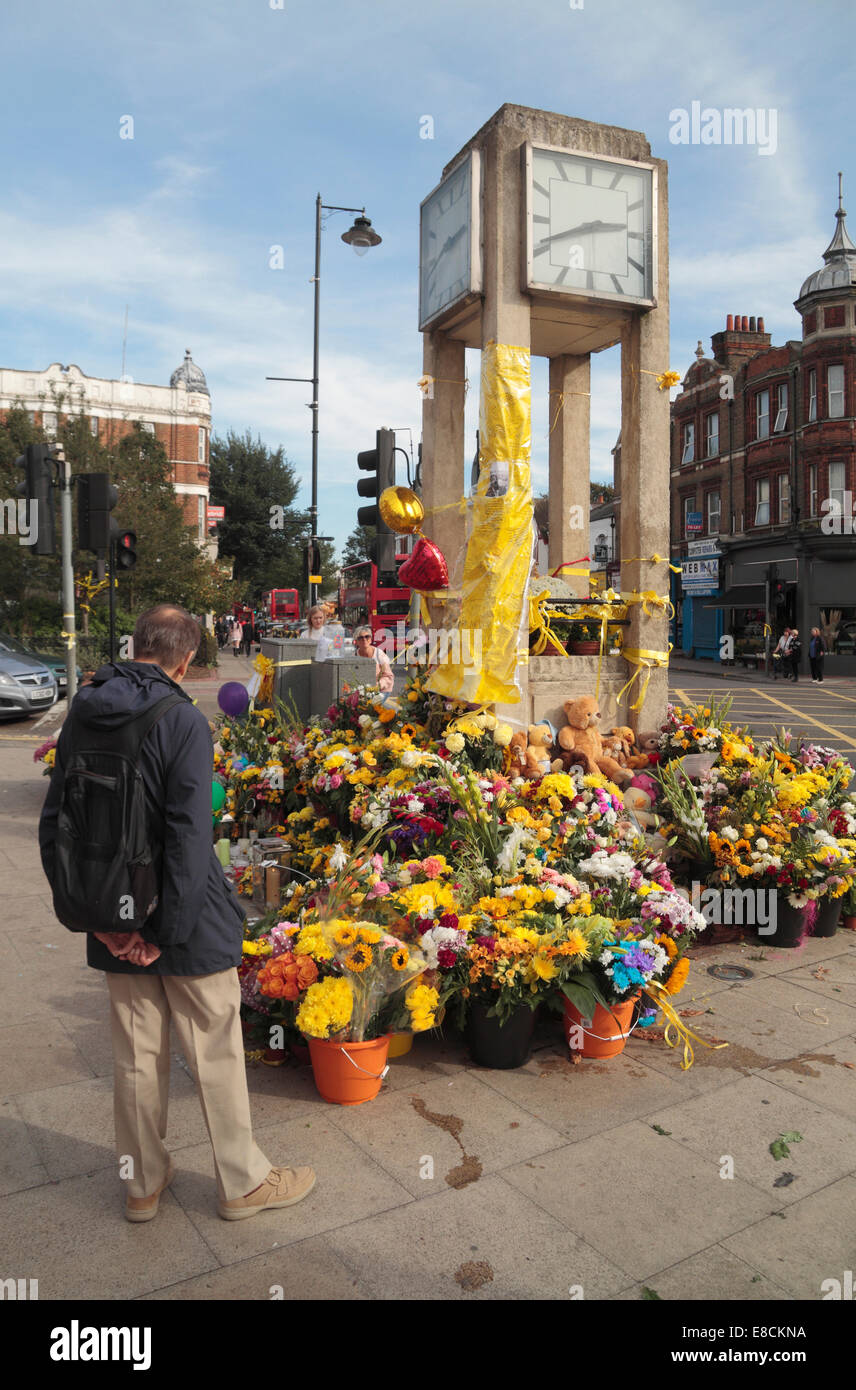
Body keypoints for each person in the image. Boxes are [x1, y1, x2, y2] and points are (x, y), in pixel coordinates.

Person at [38, 604, 315, 1222]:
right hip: (180, 918)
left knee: (135, 1056)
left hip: (108, 906)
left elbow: (57, 820)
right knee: (213, 1046)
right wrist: (162, 931)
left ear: (136, 644)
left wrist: (103, 922)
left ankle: (141, 1186)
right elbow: (189, 837)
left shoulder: (83, 707)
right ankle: (242, 1184)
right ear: (186, 662)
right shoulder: (183, 720)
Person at [354, 625, 394, 693]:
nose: (364, 639)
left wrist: (378, 686)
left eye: (367, 637)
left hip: (381, 690)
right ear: (356, 641)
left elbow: (389, 677)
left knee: (371, 703)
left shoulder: (379, 654)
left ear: (370, 640)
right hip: (363, 691)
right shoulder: (354, 656)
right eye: (360, 637)